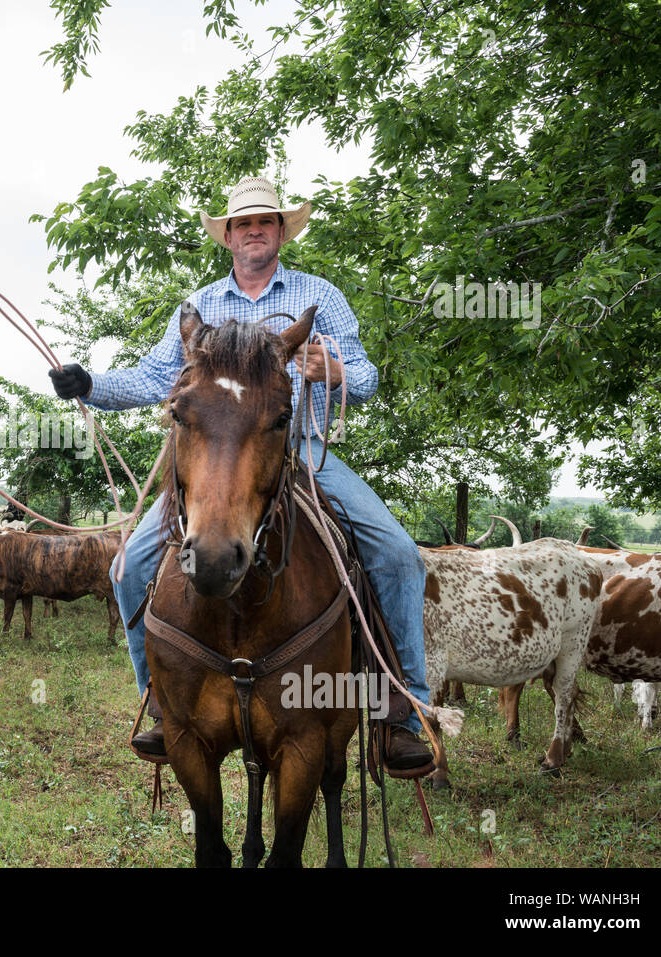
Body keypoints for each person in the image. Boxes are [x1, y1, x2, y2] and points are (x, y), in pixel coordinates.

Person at [47, 175, 433, 770]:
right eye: (243, 224)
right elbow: (155, 378)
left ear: (281, 232)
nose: (255, 231)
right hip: (212, 462)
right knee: (129, 567)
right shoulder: (199, 306)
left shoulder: (320, 296)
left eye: (266, 221)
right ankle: (161, 698)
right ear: (227, 237)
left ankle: (405, 712)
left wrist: (331, 367)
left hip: (299, 448)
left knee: (398, 553)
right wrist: (92, 385)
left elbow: (367, 373)